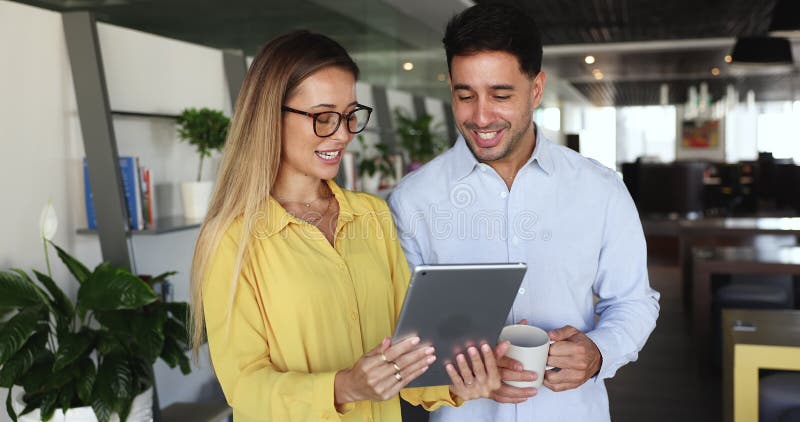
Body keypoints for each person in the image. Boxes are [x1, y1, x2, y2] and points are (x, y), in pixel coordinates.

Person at [189, 30, 507, 422]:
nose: (342, 134)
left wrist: (460, 377)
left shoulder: (372, 215)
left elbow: (406, 353)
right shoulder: (231, 239)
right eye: (323, 117)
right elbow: (245, 388)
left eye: (350, 115)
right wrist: (343, 387)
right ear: (271, 116)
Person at [388, 3, 661, 421]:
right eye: (465, 95)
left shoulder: (600, 189)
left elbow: (634, 301)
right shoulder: (412, 202)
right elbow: (399, 335)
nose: (481, 116)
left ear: (535, 89)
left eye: (500, 95)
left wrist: (599, 351)